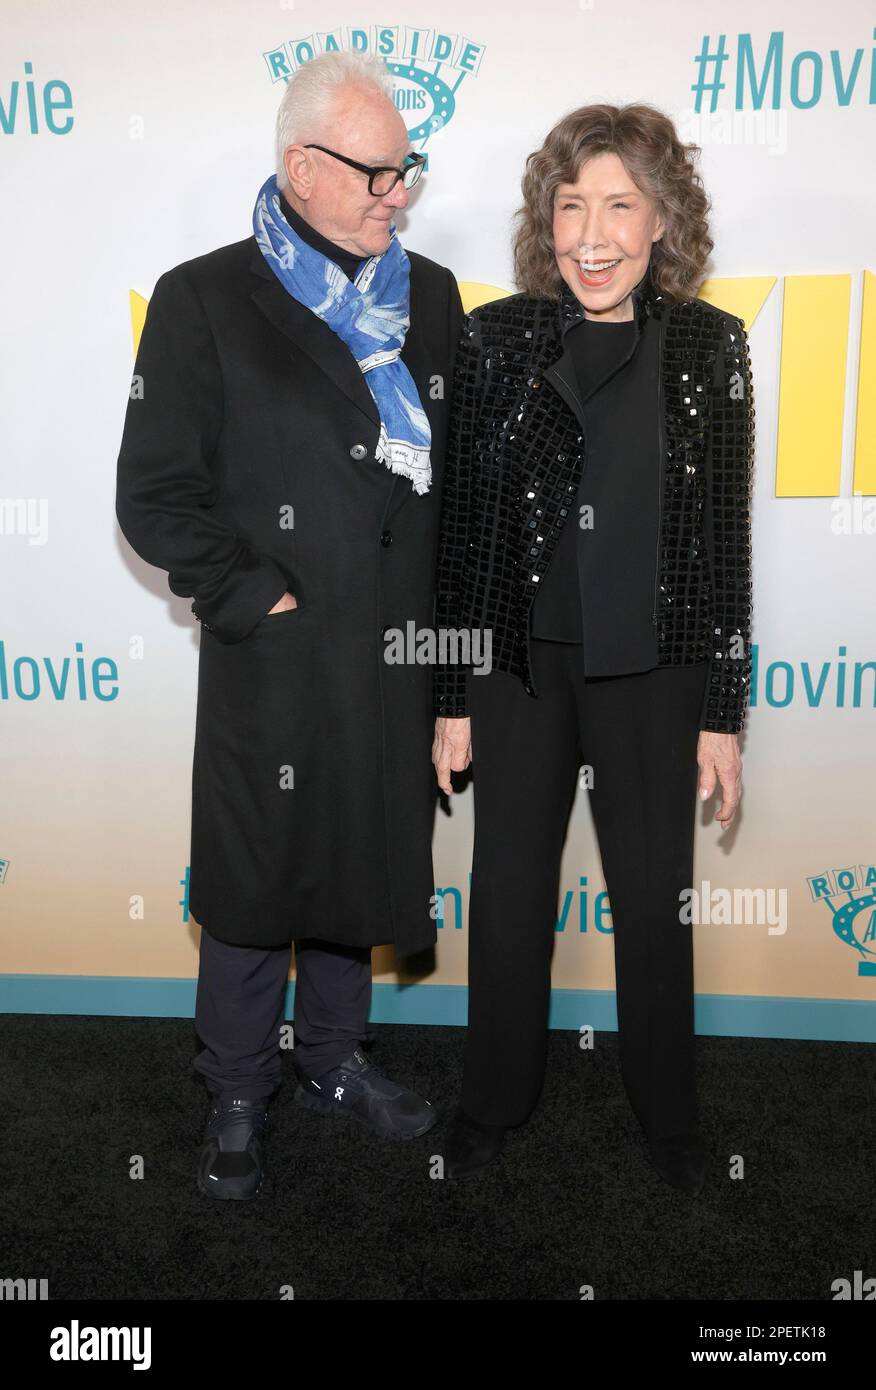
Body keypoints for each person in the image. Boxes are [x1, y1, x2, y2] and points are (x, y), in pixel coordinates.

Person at [116, 51, 464, 1199]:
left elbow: (456, 498)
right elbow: (155, 492)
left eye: (406, 169)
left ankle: (330, 1061)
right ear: (302, 168)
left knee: (357, 860)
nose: (398, 193)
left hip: (394, 653)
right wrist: (252, 590)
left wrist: (451, 666)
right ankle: (232, 1086)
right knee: (259, 878)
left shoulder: (436, 297)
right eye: (376, 172)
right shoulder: (203, 297)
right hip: (275, 654)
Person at [432, 103, 755, 1195]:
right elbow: (467, 531)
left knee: (654, 895)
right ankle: (491, 1099)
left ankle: (669, 1117)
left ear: (663, 219)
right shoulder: (497, 337)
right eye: (573, 206)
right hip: (520, 670)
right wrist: (450, 689)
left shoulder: (712, 346)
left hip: (654, 670)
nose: (595, 233)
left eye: (621, 204)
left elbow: (722, 545)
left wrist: (724, 708)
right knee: (508, 887)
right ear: (548, 221)